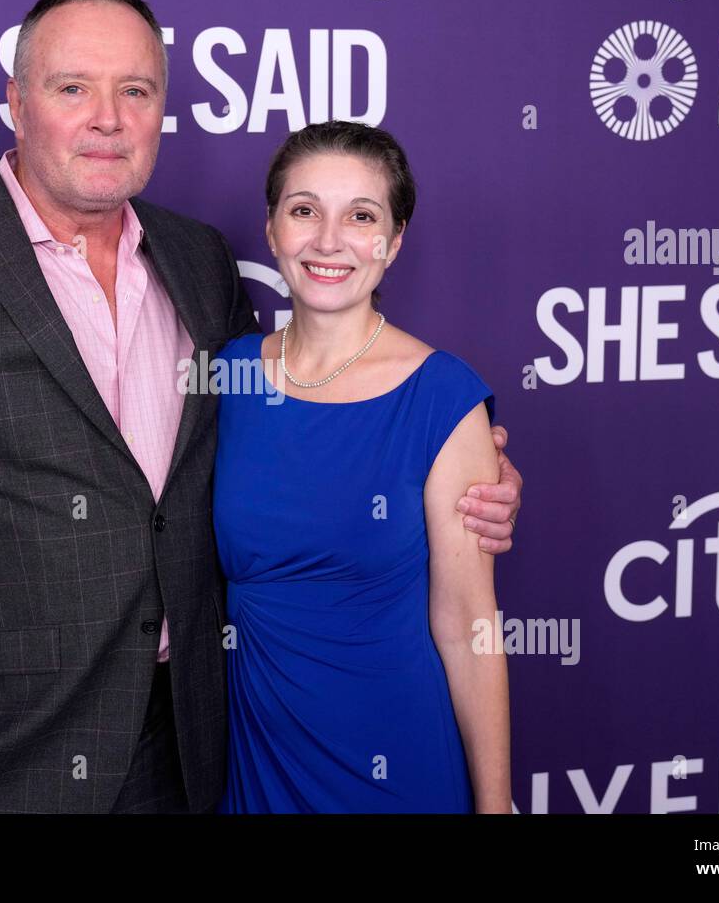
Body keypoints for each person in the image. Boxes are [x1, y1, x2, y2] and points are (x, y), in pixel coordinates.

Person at [0, 0, 522, 815]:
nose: (108, 117)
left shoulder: (199, 262)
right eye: (74, 88)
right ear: (17, 104)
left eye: (135, 90)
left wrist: (471, 475)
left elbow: (304, 432)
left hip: (190, 746)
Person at [215, 121, 511, 813]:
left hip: (394, 761)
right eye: (304, 210)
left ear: (394, 241)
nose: (328, 240)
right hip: (254, 762)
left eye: (361, 216)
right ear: (271, 228)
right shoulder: (227, 375)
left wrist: (496, 808)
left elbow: (469, 623)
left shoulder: (442, 396)